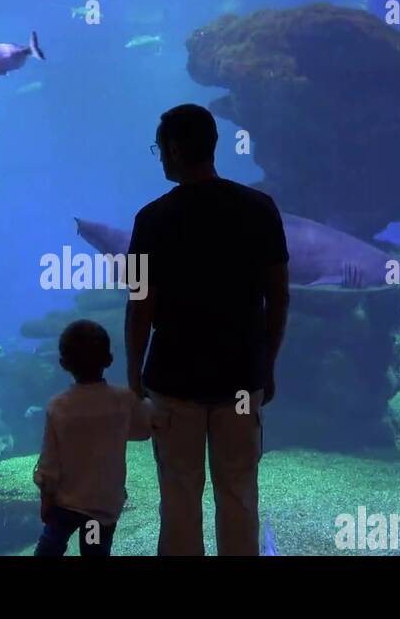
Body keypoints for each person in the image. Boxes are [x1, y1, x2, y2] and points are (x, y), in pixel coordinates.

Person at [125, 103, 291, 556]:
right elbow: (278, 296)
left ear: (176, 149)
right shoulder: (259, 209)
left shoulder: (151, 220)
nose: (160, 156)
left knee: (178, 497)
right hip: (241, 378)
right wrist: (267, 365)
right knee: (238, 493)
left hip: (173, 382)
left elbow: (140, 306)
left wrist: (133, 379)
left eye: (161, 148)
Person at [33, 320, 151, 556]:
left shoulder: (58, 406)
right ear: (109, 359)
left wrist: (46, 499)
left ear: (63, 363)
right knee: (96, 551)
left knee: (49, 549)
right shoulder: (123, 400)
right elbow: (143, 431)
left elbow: (49, 463)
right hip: (104, 503)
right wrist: (143, 397)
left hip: (64, 504)